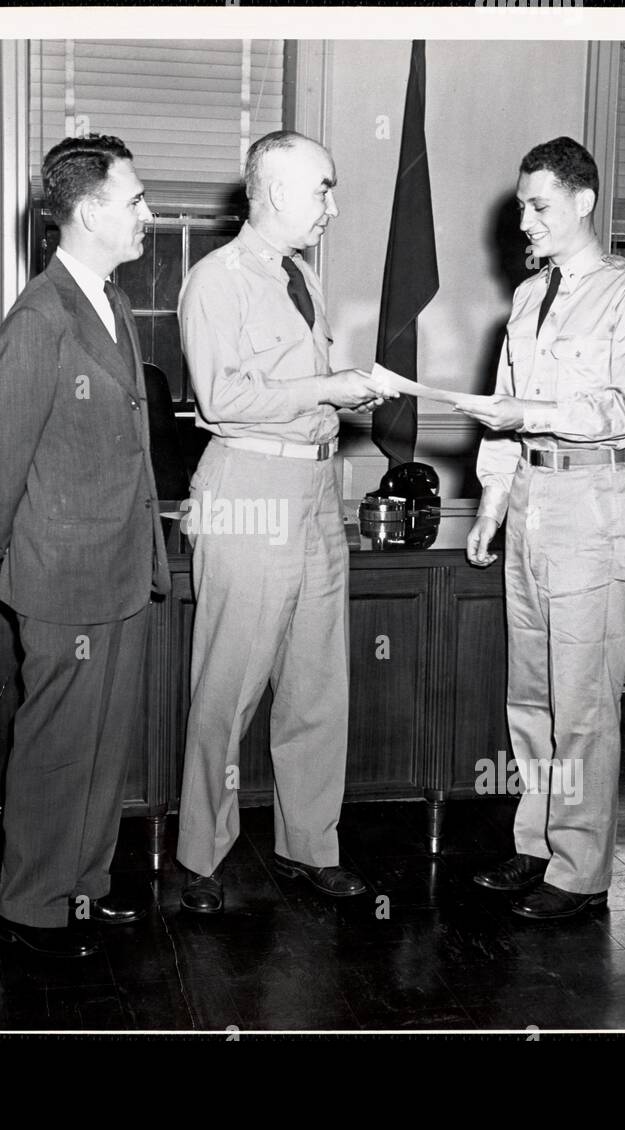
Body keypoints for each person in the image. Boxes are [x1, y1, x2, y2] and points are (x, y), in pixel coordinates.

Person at [175, 130, 388, 913]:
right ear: (271, 191)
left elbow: (302, 383)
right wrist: (328, 389)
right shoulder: (216, 280)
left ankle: (310, 845)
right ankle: (200, 857)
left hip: (314, 494)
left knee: (316, 685)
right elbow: (222, 400)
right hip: (249, 484)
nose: (333, 206)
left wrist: (339, 393)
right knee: (227, 686)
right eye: (322, 189)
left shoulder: (302, 277)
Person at [0, 135, 170, 958]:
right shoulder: (39, 319)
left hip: (119, 565)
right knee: (56, 746)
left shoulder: (108, 300)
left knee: (101, 742)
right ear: (88, 213)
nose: (148, 216)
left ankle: (82, 889)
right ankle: (33, 905)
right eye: (134, 201)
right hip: (61, 574)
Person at [463, 136, 625, 920]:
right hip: (530, 507)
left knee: (582, 703)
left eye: (538, 205)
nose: (524, 220)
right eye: (520, 204)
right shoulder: (527, 296)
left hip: (592, 504)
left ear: (583, 202)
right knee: (533, 696)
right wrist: (490, 501)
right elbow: (502, 406)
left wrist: (532, 414)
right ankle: (538, 845)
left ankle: (579, 873)